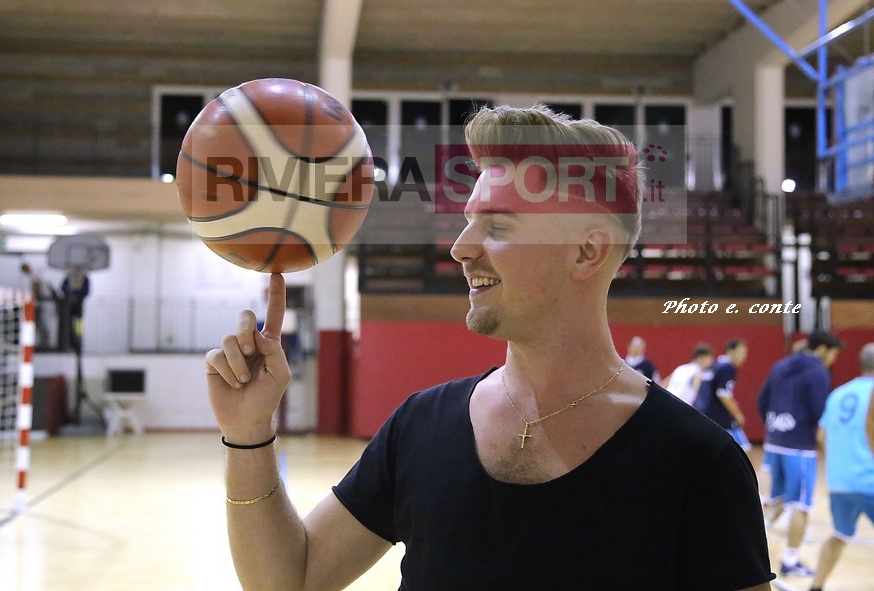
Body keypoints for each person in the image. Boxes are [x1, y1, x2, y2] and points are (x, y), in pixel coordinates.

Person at [205, 106, 774, 590]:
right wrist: (249, 430)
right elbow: (291, 578)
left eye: (497, 226)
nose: (459, 248)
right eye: (467, 221)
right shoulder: (420, 425)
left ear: (586, 252)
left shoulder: (699, 464)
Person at [756, 330, 842, 577]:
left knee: (779, 500)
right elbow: (819, 411)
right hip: (800, 447)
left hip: (774, 441)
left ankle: (750, 542)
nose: (833, 360)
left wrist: (774, 425)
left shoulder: (780, 365)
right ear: (823, 349)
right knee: (801, 506)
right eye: (834, 353)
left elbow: (762, 400)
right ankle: (790, 561)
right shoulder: (817, 371)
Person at [809, 342, 874, 591]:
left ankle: (816, 586)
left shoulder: (838, 394)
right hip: (869, 479)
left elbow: (821, 437)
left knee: (839, 535)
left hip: (840, 481)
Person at [695, 338, 752, 450]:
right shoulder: (728, 368)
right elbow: (723, 394)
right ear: (730, 351)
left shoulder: (714, 365)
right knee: (744, 450)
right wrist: (737, 414)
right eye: (740, 352)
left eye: (745, 353)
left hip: (704, 415)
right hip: (720, 419)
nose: (743, 356)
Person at [661, 342, 715, 407]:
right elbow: (696, 394)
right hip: (680, 407)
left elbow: (662, 385)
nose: (712, 361)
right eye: (709, 358)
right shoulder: (697, 372)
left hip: (666, 402)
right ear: (702, 357)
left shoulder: (681, 368)